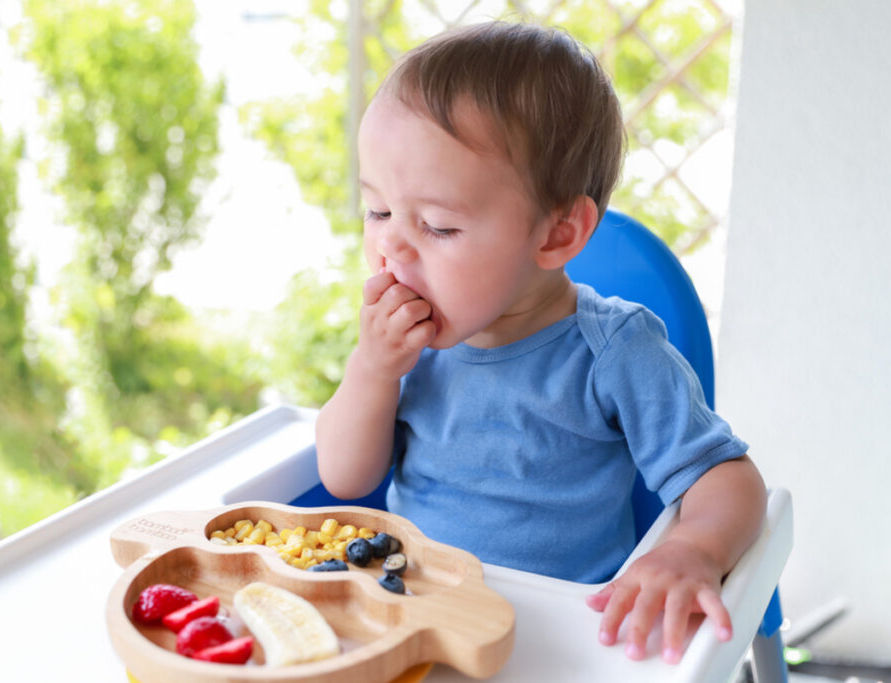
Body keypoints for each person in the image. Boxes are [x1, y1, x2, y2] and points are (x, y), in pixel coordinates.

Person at [314, 21, 767, 665]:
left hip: (558, 642)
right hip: (412, 613)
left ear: (556, 235)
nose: (390, 245)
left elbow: (727, 477)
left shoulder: (613, 352)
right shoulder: (408, 345)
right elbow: (344, 475)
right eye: (378, 212)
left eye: (438, 225)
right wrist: (373, 369)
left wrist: (691, 548)